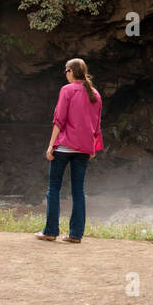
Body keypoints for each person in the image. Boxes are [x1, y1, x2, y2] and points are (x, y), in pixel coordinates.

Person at [36, 57, 103, 244]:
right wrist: (93, 146)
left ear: (71, 72)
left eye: (66, 70)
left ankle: (50, 231)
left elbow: (59, 119)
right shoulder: (95, 94)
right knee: (78, 190)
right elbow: (96, 124)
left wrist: (51, 145)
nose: (65, 74)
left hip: (64, 147)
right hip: (84, 147)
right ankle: (75, 235)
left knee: (54, 188)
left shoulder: (67, 90)